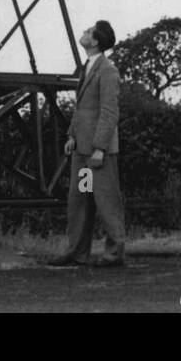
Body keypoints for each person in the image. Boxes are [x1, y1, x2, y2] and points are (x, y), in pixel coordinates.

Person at [48, 20, 127, 268]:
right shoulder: (89, 67)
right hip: (83, 150)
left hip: (97, 153)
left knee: (106, 201)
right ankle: (77, 252)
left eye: (88, 31)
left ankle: (114, 254)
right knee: (80, 199)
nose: (83, 33)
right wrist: (72, 135)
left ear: (95, 41)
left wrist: (100, 149)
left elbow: (109, 112)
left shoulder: (108, 70)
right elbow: (82, 108)